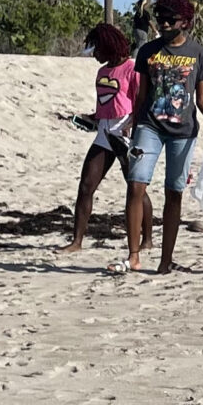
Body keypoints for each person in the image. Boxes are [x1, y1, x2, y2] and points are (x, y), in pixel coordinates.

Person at [127, 0, 203, 274]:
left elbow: (202, 100)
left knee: (173, 193)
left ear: (185, 23)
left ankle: (166, 260)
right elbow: (141, 94)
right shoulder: (147, 51)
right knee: (136, 185)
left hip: (183, 133)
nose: (163, 24)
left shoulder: (198, 54)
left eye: (170, 20)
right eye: (160, 18)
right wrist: (132, 120)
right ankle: (133, 255)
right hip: (149, 127)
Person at [59, 22, 141, 255]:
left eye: (96, 50)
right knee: (86, 186)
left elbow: (141, 102)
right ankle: (77, 241)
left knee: (135, 188)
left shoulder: (131, 69)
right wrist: (90, 118)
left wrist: (130, 125)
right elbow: (106, 104)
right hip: (104, 133)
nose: (94, 55)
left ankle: (146, 240)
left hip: (125, 135)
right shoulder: (102, 72)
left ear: (108, 47)